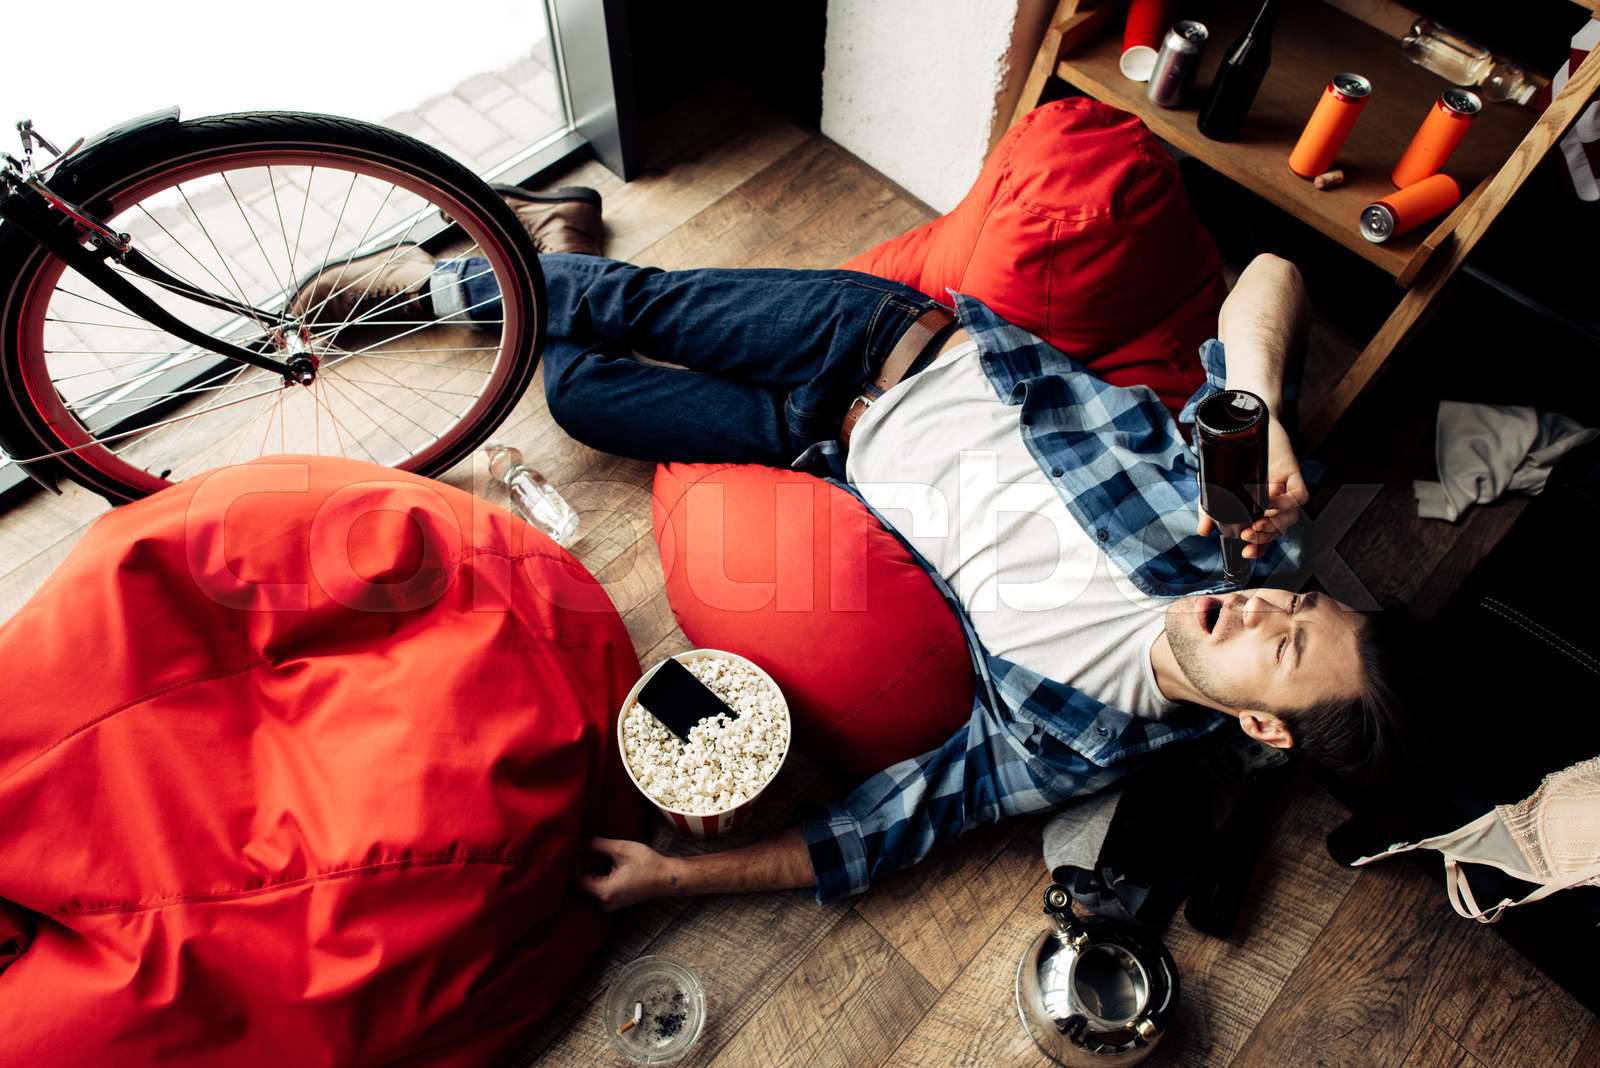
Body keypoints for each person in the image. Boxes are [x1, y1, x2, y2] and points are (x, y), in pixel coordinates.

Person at [291, 128, 1410, 913]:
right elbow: (1269, 271)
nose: (1270, 604)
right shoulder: (1229, 523)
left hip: (814, 442)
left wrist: (674, 881)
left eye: (1285, 644)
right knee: (628, 308)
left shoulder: (1075, 740)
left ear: (1261, 729)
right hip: (878, 343)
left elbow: (887, 829)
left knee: (582, 397)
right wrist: (1258, 405)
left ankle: (554, 238)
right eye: (1301, 605)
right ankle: (424, 285)